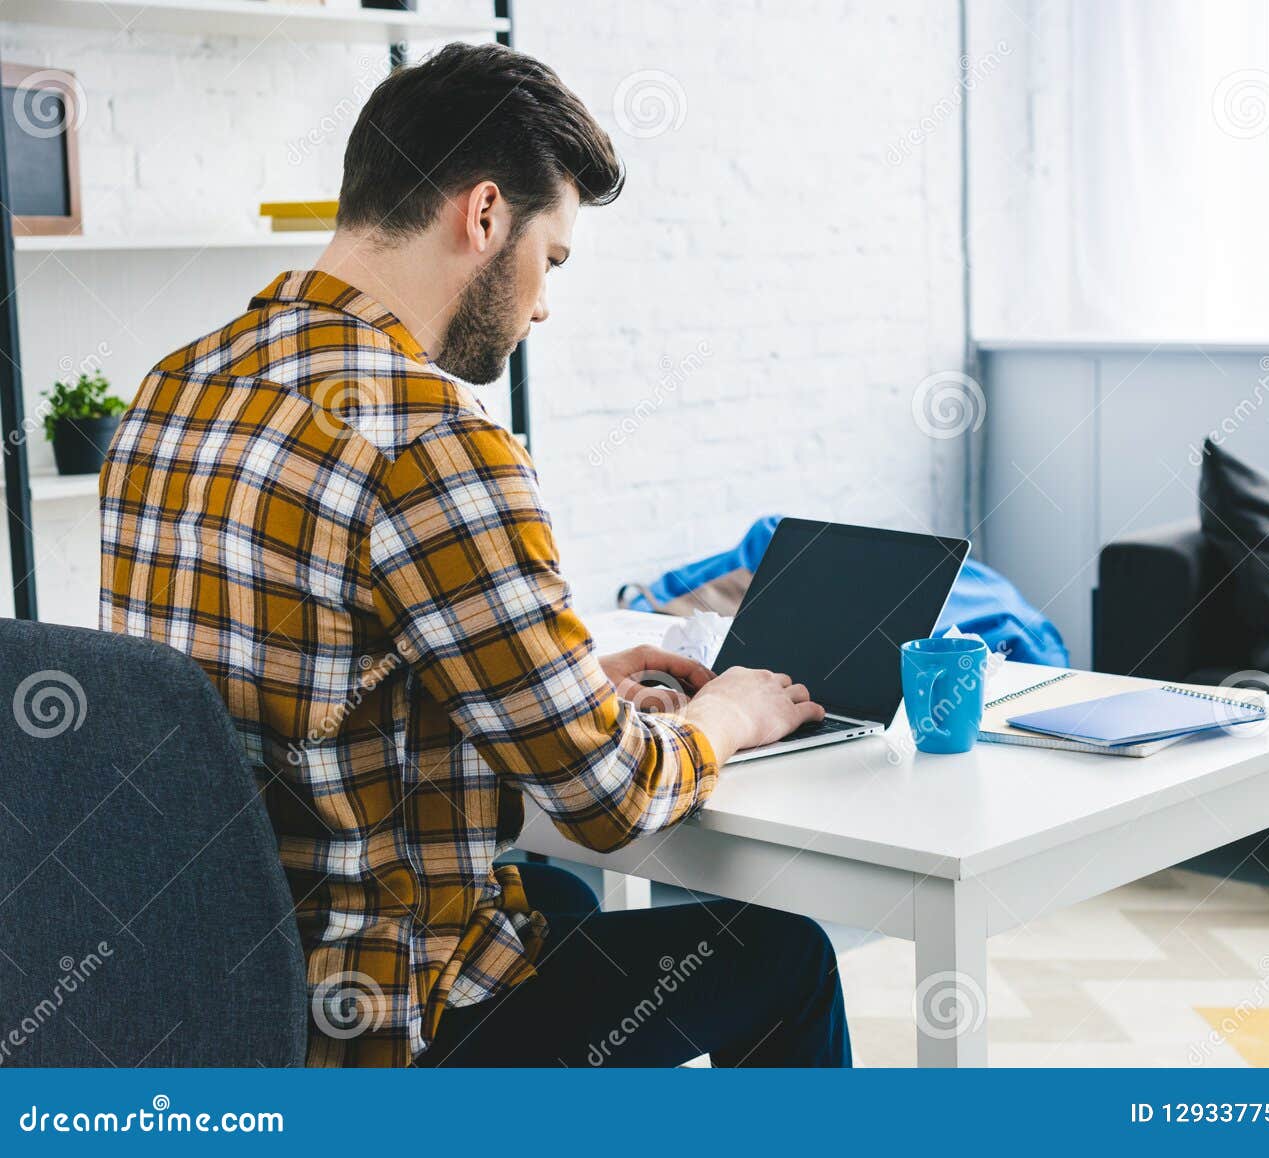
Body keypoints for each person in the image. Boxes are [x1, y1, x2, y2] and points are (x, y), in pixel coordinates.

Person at [99, 42, 850, 1068]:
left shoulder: (176, 388)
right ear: (484, 215)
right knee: (784, 955)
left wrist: (566, 682)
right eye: (552, 260)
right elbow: (612, 801)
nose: (542, 305)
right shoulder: (434, 439)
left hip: (211, 982)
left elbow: (304, 669)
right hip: (374, 1026)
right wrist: (729, 715)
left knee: (550, 898)